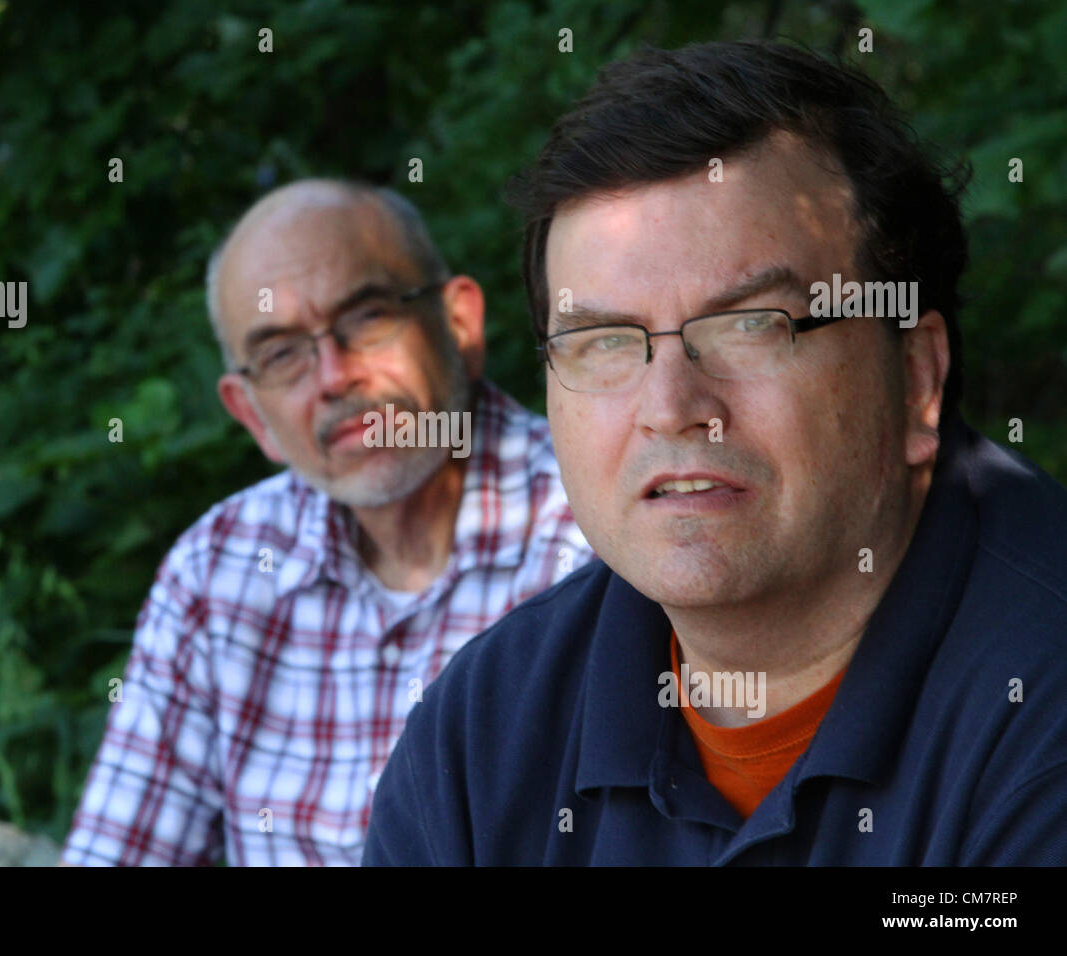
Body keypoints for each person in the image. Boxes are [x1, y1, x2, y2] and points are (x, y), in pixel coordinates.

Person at [363, 41, 1067, 865]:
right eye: (604, 341)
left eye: (751, 326)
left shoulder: (1042, 705)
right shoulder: (483, 733)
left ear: (915, 378)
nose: (671, 409)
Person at [61, 178, 592, 865]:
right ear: (252, 414)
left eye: (367, 316)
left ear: (459, 324)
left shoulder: (597, 528)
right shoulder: (217, 571)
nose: (334, 376)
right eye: (282, 353)